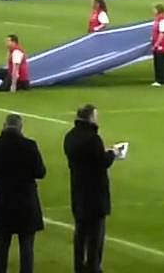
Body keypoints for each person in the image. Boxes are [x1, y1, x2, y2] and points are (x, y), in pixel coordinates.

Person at [0, 114, 46, 273]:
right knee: (26, 247)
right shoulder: (30, 146)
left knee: (2, 246)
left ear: (4, 125)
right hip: (25, 202)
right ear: (20, 127)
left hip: (3, 201)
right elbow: (40, 172)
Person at [64, 105, 117, 273]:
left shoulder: (70, 137)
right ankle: (93, 267)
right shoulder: (93, 138)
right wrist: (112, 154)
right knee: (95, 236)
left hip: (78, 190)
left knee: (80, 233)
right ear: (90, 117)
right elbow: (102, 162)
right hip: (95, 193)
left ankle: (79, 267)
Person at [152, 3, 164, 86]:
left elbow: (162, 34)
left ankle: (162, 80)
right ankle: (158, 79)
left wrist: (157, 43)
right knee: (157, 62)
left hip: (161, 45)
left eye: (155, 9)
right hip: (157, 44)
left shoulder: (163, 21)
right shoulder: (157, 20)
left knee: (161, 63)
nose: (153, 11)